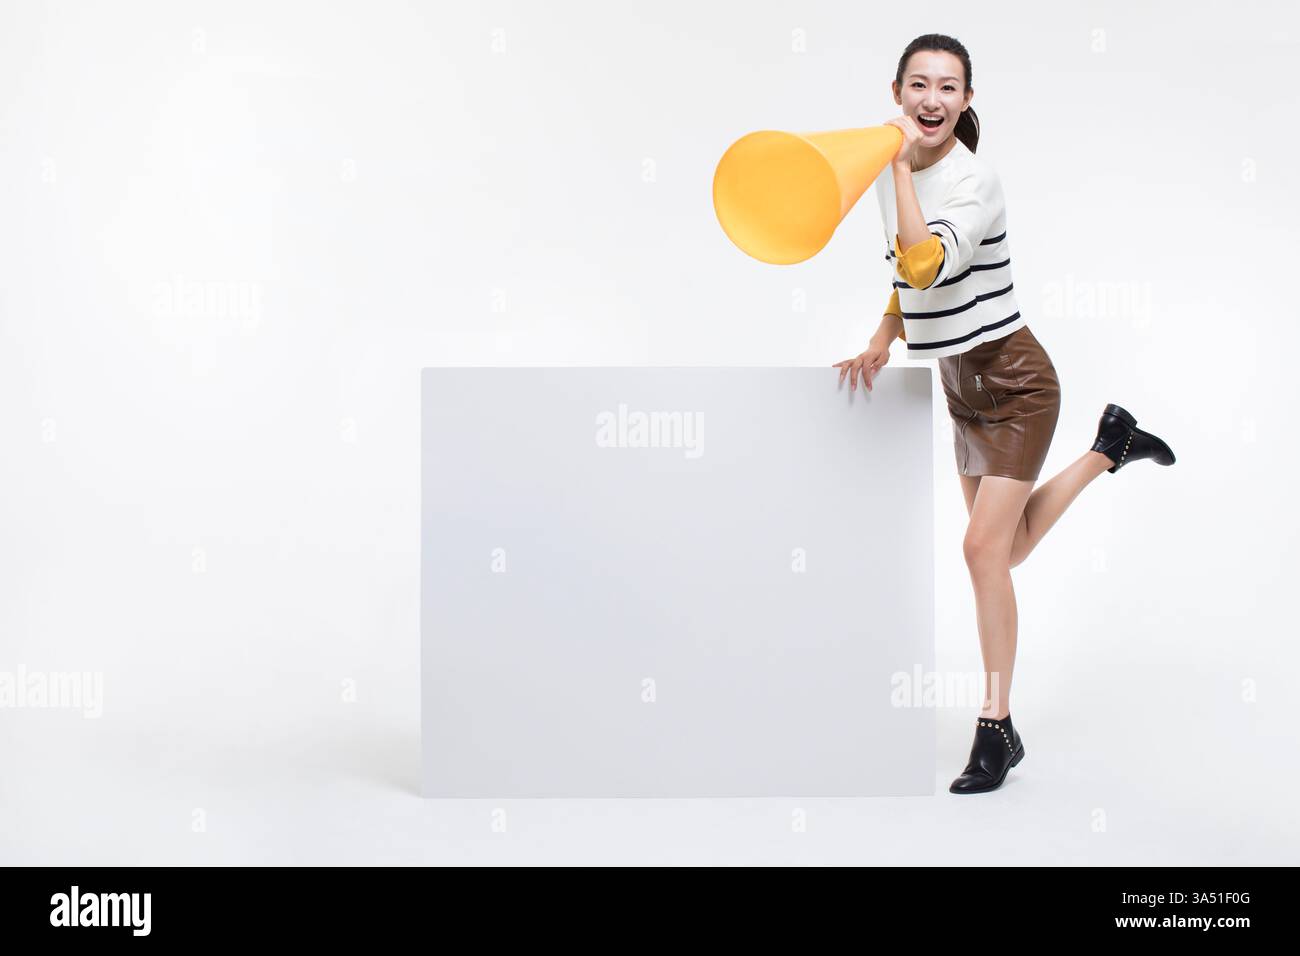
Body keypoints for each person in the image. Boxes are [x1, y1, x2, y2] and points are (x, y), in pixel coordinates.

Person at [832, 33, 1176, 795]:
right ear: (896, 93)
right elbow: (904, 275)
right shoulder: (897, 177)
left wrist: (893, 167)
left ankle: (996, 727)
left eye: (948, 87)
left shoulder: (973, 180)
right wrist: (882, 338)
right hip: (961, 384)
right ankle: (1110, 446)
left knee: (980, 553)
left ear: (967, 100)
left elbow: (927, 261)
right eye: (918, 85)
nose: (931, 100)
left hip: (1017, 383)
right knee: (1006, 552)